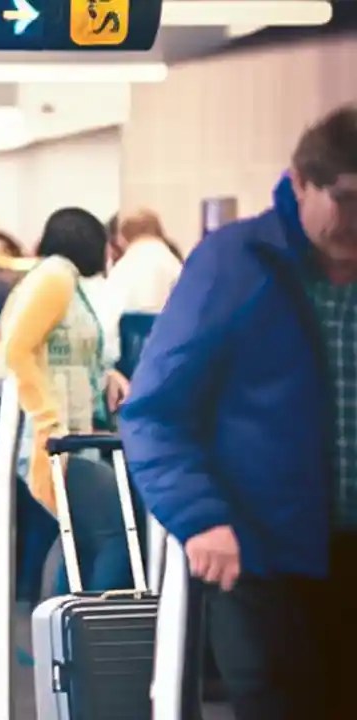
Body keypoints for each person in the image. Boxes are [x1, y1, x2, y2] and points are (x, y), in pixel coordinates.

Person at [120, 104, 357, 720]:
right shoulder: (234, 265)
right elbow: (153, 413)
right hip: (260, 557)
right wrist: (200, 518)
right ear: (300, 182)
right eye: (347, 198)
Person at [0, 207, 133, 599]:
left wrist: (106, 376)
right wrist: (47, 418)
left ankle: (67, 645)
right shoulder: (55, 278)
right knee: (115, 534)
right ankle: (90, 642)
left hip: (69, 437)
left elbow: (60, 350)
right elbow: (18, 349)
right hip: (56, 440)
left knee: (81, 539)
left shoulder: (58, 279)